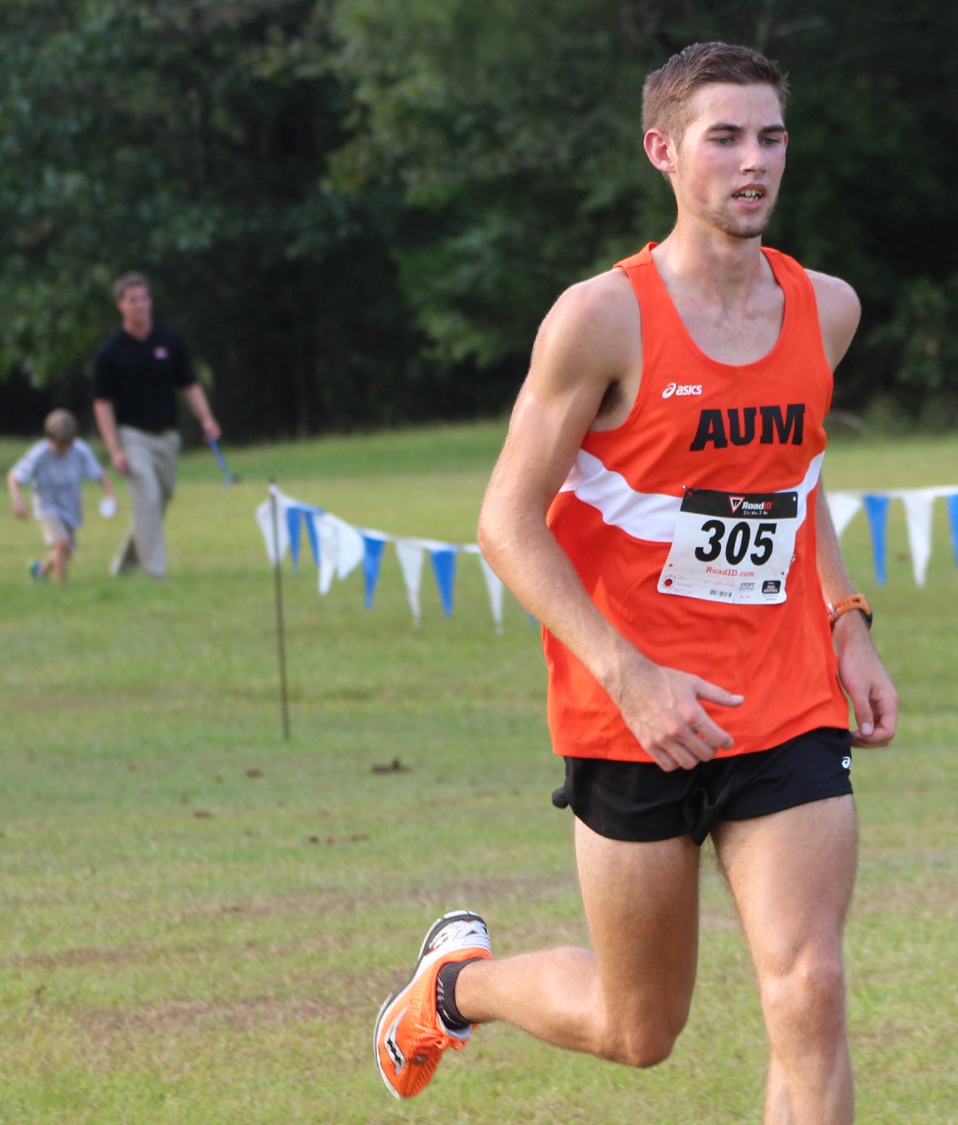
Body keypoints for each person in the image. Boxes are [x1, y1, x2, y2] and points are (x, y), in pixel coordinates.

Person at [372, 44, 898, 1124]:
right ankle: (452, 989)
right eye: (725, 138)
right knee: (637, 1028)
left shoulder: (827, 310)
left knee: (809, 988)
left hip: (782, 698)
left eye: (771, 137)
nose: (754, 162)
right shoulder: (599, 319)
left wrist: (846, 622)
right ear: (662, 151)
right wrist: (631, 674)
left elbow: (792, 481)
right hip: (632, 717)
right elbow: (505, 521)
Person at [90, 272, 221, 579]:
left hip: (167, 437)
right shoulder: (110, 351)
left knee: (157, 504)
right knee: (146, 498)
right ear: (121, 305)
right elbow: (102, 403)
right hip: (132, 436)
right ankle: (155, 572)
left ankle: (124, 566)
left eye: (145, 298)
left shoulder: (170, 342)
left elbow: (189, 384)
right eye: (133, 300)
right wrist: (115, 450)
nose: (141, 305)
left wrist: (206, 418)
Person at [7, 409, 116, 583]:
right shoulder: (39, 455)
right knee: (62, 543)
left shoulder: (81, 451)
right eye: (59, 445)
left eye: (68, 445)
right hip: (47, 507)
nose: (64, 450)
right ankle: (62, 586)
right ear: (49, 439)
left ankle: (40, 572)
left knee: (66, 551)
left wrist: (110, 496)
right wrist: (18, 501)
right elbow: (14, 477)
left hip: (70, 508)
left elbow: (101, 475)